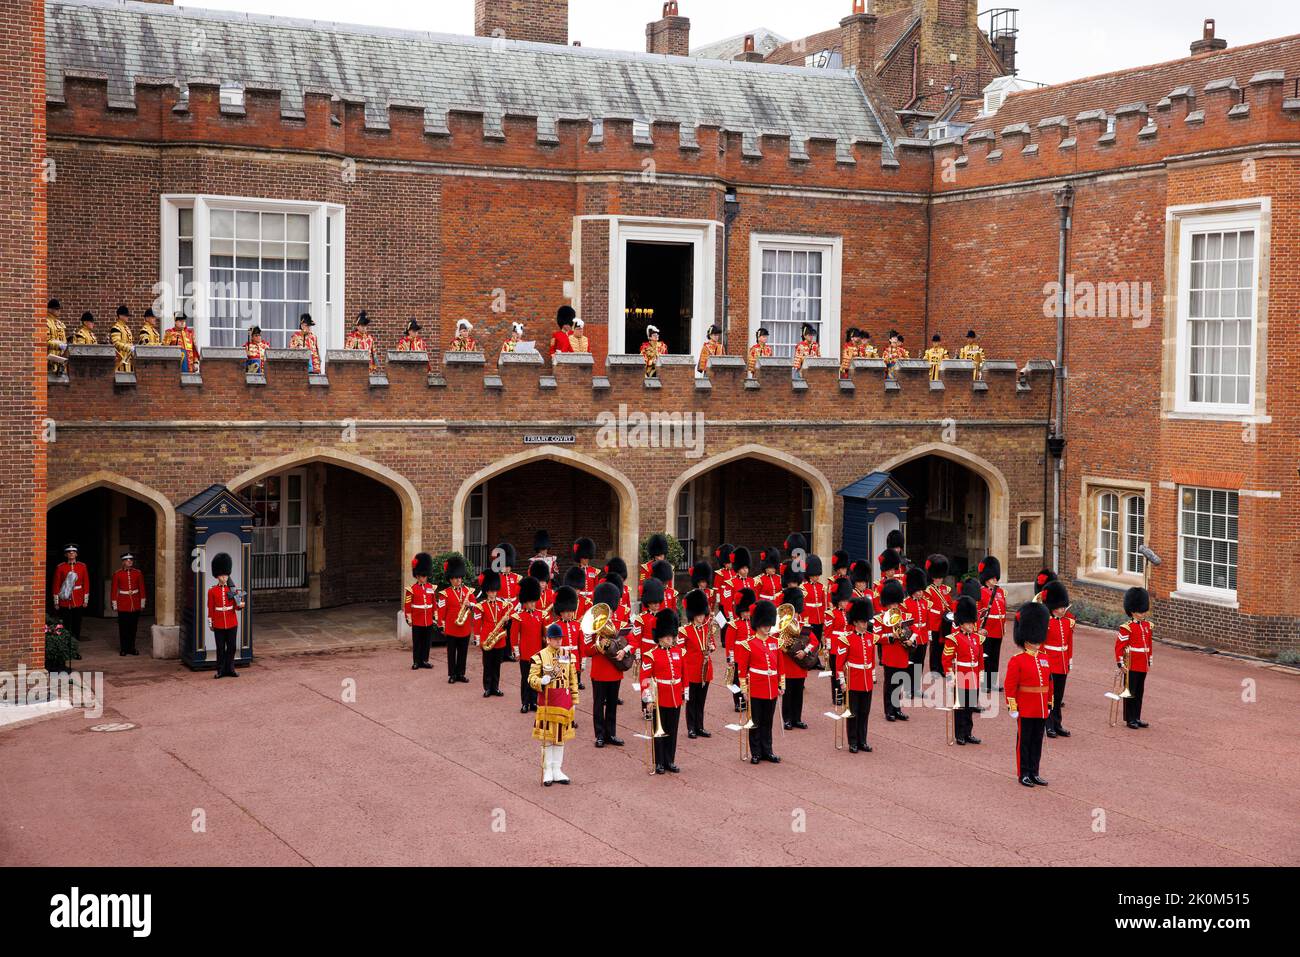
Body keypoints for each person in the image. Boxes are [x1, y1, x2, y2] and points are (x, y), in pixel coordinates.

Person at [1005, 602, 1053, 787]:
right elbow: (1010, 686)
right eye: (1034, 639)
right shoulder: (1017, 660)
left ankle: (1034, 771)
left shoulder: (1044, 658)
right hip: (1025, 707)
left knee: (1037, 742)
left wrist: (1049, 704)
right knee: (1023, 743)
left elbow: (1049, 684)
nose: (1037, 642)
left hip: (1040, 708)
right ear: (1025, 639)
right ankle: (1023, 773)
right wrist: (1013, 707)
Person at [530, 623, 579, 786]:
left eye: (560, 639)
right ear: (548, 639)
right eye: (556, 639)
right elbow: (531, 678)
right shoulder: (540, 656)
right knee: (547, 739)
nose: (559, 641)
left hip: (564, 702)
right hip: (548, 702)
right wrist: (540, 681)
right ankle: (547, 770)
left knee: (560, 738)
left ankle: (557, 769)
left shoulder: (567, 654)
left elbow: (573, 679)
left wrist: (574, 699)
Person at [735, 599, 783, 764]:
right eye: (764, 624)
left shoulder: (775, 643)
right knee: (755, 721)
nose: (766, 627)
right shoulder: (748, 644)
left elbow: (780, 666)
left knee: (767, 722)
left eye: (768, 624)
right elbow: (742, 670)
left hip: (770, 687)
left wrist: (781, 684)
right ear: (757, 624)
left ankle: (767, 750)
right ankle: (755, 752)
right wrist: (744, 690)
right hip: (756, 686)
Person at [585, 580, 631, 748]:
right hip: (598, 670)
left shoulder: (619, 624)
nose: (609, 612)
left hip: (614, 669)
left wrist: (623, 651)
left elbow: (629, 640)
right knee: (598, 705)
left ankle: (611, 733)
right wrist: (600, 645)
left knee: (612, 704)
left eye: (610, 608)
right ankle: (599, 735)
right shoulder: (592, 625)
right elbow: (585, 650)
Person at [641, 609, 686, 774]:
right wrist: (649, 700)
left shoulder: (679, 652)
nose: (670, 639)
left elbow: (683, 674)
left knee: (672, 731)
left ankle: (669, 760)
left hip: (675, 697)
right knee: (658, 731)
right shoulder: (650, 655)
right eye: (667, 636)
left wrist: (684, 693)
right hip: (659, 698)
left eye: (671, 636)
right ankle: (658, 761)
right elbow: (645, 679)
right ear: (659, 637)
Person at [944, 593, 985, 745]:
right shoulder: (953, 639)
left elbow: (980, 658)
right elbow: (946, 659)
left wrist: (981, 673)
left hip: (973, 675)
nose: (971, 626)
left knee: (970, 707)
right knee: (960, 707)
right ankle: (959, 734)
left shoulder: (977, 638)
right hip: (961, 674)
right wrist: (950, 676)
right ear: (961, 623)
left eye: (972, 623)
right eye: (968, 623)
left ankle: (968, 733)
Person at [841, 596, 879, 753]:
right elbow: (839, 664)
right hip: (853, 680)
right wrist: (842, 681)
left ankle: (862, 740)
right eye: (863, 622)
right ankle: (853, 742)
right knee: (853, 712)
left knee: (865, 712)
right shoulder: (847, 639)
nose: (865, 624)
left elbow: (871, 660)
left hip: (866, 680)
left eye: (866, 621)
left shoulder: (871, 638)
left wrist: (873, 676)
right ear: (855, 622)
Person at [778, 586, 818, 731]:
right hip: (788, 665)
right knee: (787, 694)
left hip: (800, 665)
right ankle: (787, 719)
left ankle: (797, 718)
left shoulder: (803, 624)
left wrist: (805, 651)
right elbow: (775, 641)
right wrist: (784, 645)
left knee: (798, 693)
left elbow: (814, 641)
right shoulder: (781, 625)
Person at [876, 579, 914, 722]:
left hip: (902, 653)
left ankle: (897, 709)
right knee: (890, 684)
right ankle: (889, 711)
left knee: (899, 683)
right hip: (890, 654)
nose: (894, 606)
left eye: (896, 603)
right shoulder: (880, 618)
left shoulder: (903, 616)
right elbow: (876, 637)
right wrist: (891, 636)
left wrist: (910, 638)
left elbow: (913, 629)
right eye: (891, 603)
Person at [1116, 586, 1154, 729]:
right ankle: (1129, 718)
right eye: (1140, 611)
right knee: (1130, 691)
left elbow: (1148, 644)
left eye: (1144, 610)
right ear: (1132, 611)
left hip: (1142, 663)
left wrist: (1149, 658)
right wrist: (1121, 664)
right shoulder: (1127, 627)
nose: (1143, 613)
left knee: (1139, 692)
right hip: (1131, 663)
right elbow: (1119, 646)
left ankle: (1137, 717)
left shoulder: (1147, 626)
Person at [680, 587, 715, 739]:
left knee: (701, 700)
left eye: (703, 615)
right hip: (691, 669)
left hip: (706, 669)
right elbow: (680, 650)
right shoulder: (684, 630)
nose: (701, 618)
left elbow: (711, 643)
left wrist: (711, 648)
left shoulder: (708, 628)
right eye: (699, 615)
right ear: (693, 615)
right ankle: (691, 728)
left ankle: (700, 726)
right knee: (691, 701)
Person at [1042, 580, 1074, 738]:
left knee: (1059, 696)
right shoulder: (1046, 623)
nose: (1063, 610)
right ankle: (1048, 725)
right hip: (1050, 662)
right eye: (1060, 607)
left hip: (1062, 663)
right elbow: (1041, 645)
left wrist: (1069, 659)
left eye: (1064, 607)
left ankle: (1057, 723)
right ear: (1053, 608)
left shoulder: (1068, 623)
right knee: (1050, 695)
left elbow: (1069, 643)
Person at [436, 555, 475, 685]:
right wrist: (441, 624)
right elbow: (441, 610)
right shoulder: (445, 593)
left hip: (465, 627)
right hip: (452, 628)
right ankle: (452, 674)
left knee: (463, 653)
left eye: (459, 578)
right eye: (455, 578)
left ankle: (461, 674)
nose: (457, 580)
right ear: (450, 579)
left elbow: (476, 606)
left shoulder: (468, 591)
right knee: (451, 653)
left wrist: (471, 605)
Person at [207, 552, 244, 678]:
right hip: (218, 622)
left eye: (226, 575)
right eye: (222, 575)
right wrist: (210, 623)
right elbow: (210, 608)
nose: (225, 578)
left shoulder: (233, 590)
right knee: (220, 648)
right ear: (217, 576)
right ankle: (220, 670)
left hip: (232, 621)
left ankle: (231, 668)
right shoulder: (212, 591)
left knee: (232, 647)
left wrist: (241, 605)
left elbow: (237, 607)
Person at [473, 570, 510, 698]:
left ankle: (496, 687)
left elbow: (507, 619)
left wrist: (506, 620)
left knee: (497, 665)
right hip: (487, 638)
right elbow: (477, 623)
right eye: (490, 591)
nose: (492, 593)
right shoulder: (481, 606)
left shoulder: (502, 604)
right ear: (486, 591)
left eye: (494, 591)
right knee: (487, 664)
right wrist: (477, 639)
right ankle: (487, 687)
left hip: (499, 638)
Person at [512, 575, 547, 713]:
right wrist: (516, 652)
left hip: (538, 653)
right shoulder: (518, 616)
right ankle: (525, 702)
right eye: (530, 602)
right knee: (526, 679)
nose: (533, 604)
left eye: (534, 601)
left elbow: (545, 633)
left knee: (536, 679)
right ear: (524, 602)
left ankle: (534, 702)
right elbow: (514, 636)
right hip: (525, 653)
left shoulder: (541, 615)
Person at [977, 556, 1006, 692]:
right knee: (985, 658)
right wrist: (978, 629)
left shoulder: (1000, 592)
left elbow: (1003, 610)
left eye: (996, 577)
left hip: (998, 630)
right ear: (986, 578)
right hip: (987, 630)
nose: (995, 580)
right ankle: (984, 683)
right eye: (992, 578)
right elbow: (978, 613)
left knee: (995, 657)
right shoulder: (980, 592)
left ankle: (992, 683)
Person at [901, 567, 930, 705]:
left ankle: (916, 688)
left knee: (920, 664)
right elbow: (906, 624)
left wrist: (928, 633)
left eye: (921, 590)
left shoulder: (925, 603)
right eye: (918, 590)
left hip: (923, 637)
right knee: (910, 664)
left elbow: (927, 620)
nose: (920, 593)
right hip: (912, 637)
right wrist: (909, 638)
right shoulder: (906, 603)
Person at [52, 544, 90, 647]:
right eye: (69, 552)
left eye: (73, 552)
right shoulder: (60, 567)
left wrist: (85, 600)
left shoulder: (82, 566)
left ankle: (75, 648)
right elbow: (56, 585)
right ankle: (66, 648)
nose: (71, 553)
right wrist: (56, 601)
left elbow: (86, 584)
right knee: (66, 625)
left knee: (77, 626)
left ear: (76, 554)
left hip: (78, 600)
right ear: (66, 554)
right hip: (65, 600)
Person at [405, 552, 437, 671]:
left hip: (428, 619)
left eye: (425, 576)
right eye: (421, 576)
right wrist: (409, 618)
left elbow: (434, 604)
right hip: (417, 620)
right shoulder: (411, 590)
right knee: (417, 642)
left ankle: (424, 660)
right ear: (417, 576)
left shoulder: (431, 588)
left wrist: (436, 616)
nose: (424, 578)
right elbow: (407, 605)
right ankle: (416, 661)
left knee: (427, 642)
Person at [110, 552, 146, 656]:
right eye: (127, 560)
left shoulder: (138, 573)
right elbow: (114, 590)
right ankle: (124, 648)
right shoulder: (117, 574)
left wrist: (142, 603)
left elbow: (142, 589)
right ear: (123, 562)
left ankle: (132, 647)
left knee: (133, 628)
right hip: (123, 604)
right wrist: (115, 604)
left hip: (135, 604)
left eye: (131, 560)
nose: (130, 561)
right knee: (123, 628)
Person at [924, 554, 954, 677]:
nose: (939, 579)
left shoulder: (945, 589)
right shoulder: (928, 590)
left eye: (940, 577)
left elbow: (950, 604)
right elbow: (927, 609)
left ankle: (941, 667)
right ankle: (934, 668)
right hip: (934, 623)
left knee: (943, 646)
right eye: (936, 577)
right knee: (934, 647)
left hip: (944, 622)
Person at [825, 576, 853, 706]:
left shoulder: (850, 613)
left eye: (846, 600)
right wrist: (828, 648)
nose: (846, 602)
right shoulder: (831, 614)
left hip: (847, 644)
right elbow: (828, 632)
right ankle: (837, 696)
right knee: (836, 672)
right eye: (843, 600)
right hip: (836, 646)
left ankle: (847, 694)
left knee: (846, 670)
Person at [633, 576, 667, 658]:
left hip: (660, 651)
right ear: (648, 603)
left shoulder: (664, 616)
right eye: (654, 602)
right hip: (646, 652)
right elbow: (636, 639)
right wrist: (638, 656)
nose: (657, 604)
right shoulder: (640, 618)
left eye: (658, 602)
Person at [572, 537, 600, 602]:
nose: (586, 560)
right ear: (580, 558)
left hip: (591, 598)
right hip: (580, 598)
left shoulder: (594, 571)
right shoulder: (575, 571)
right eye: (584, 558)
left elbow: (596, 587)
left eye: (587, 558)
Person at [110, 305, 135, 374]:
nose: (127, 317)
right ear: (120, 316)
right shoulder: (116, 328)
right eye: (126, 315)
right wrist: (129, 348)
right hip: (121, 361)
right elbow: (116, 343)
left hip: (129, 359)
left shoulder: (126, 328)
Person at [46, 298, 68, 374]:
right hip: (51, 358)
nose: (59, 311)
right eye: (56, 309)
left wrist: (65, 346)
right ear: (49, 309)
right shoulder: (46, 322)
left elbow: (64, 340)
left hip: (61, 358)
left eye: (59, 309)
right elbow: (46, 341)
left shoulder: (59, 323)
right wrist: (60, 345)